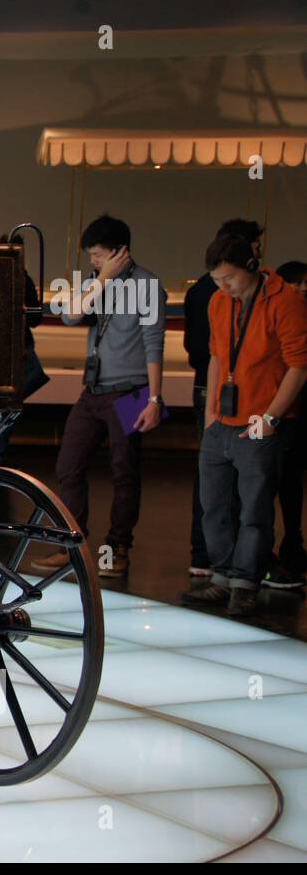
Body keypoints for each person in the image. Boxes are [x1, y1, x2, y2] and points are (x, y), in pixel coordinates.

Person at [33, 214, 165, 578]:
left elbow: (155, 344)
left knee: (125, 472)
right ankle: (71, 546)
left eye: (98, 254)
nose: (92, 261)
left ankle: (118, 548)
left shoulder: (147, 284)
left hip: (134, 390)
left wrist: (155, 400)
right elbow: (72, 317)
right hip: (93, 391)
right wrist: (102, 279)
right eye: (90, 255)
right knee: (67, 465)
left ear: (120, 251)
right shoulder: (95, 282)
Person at [182, 235, 307, 617]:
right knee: (213, 506)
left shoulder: (285, 302)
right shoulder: (220, 302)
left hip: (260, 421)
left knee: (254, 509)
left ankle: (245, 583)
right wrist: (210, 414)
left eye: (229, 278)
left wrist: (270, 419)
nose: (222, 286)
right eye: (216, 279)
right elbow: (217, 357)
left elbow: (298, 366)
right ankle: (221, 577)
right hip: (221, 420)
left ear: (251, 268)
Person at [184, 219, 264, 577]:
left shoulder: (270, 296)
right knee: (216, 492)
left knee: (244, 496)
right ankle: (213, 562)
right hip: (211, 395)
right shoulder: (215, 296)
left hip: (234, 402)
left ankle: (232, 570)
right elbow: (209, 352)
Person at [269, 260, 307, 579]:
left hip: (286, 411)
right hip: (283, 411)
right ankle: (288, 549)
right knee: (281, 483)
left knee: (286, 483)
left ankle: (291, 547)